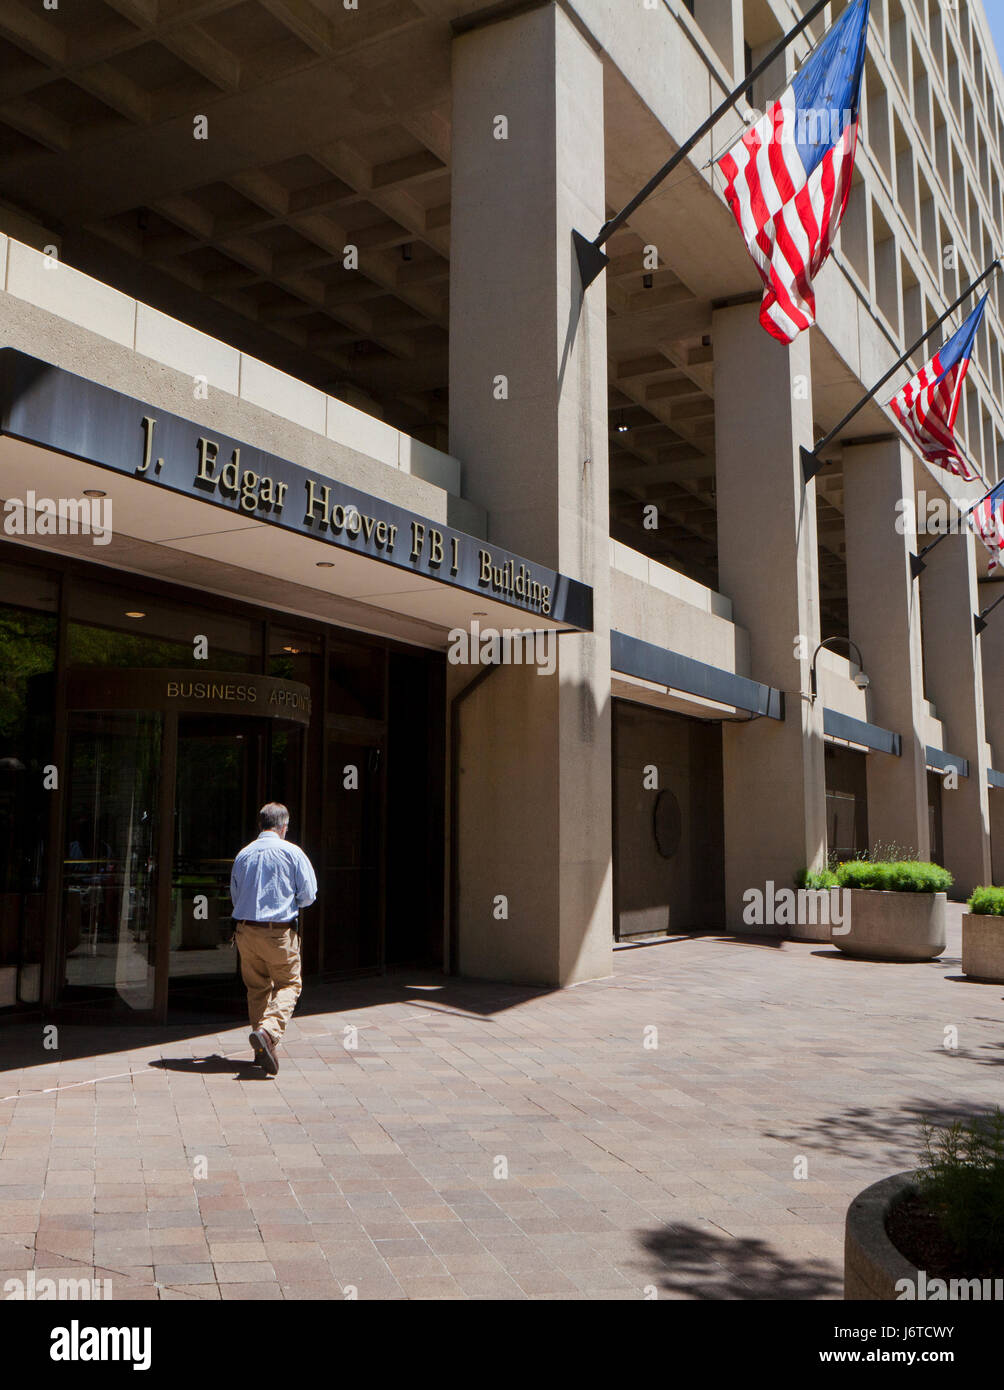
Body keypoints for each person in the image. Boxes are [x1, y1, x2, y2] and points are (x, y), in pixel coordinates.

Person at [230, 802, 317, 1076]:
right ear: (283, 827)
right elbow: (309, 894)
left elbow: (235, 894)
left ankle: (262, 1049)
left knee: (257, 988)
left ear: (260, 825)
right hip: (278, 931)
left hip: (245, 929)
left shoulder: (243, 855)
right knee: (290, 983)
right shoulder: (292, 852)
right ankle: (267, 1034)